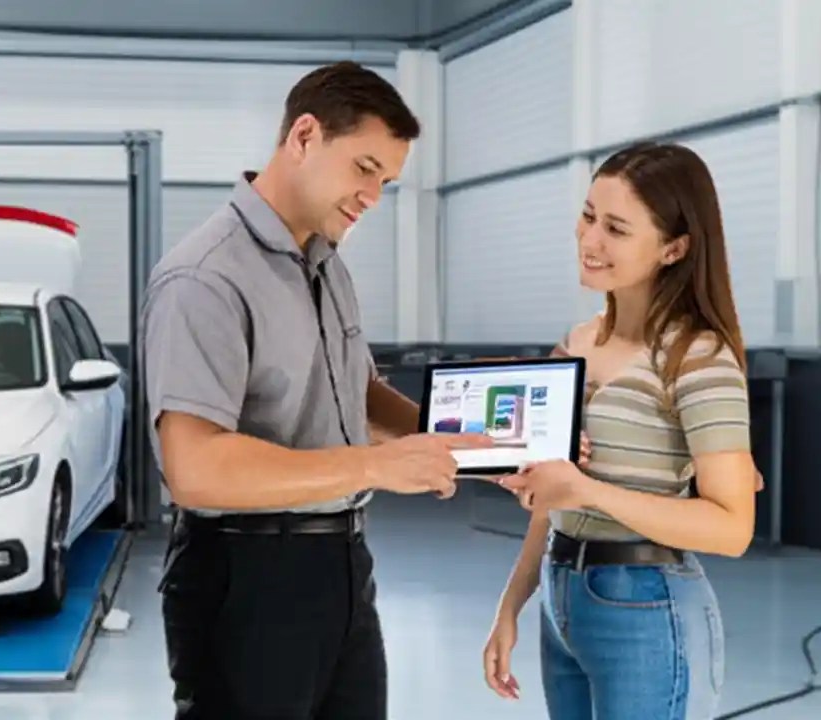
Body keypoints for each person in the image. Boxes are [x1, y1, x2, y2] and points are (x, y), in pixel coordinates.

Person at [140, 61, 494, 720]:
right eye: (364, 168)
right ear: (304, 136)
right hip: (243, 576)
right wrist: (377, 466)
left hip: (341, 565)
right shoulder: (204, 278)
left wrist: (470, 450)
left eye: (387, 181)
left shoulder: (326, 263)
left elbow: (354, 391)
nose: (373, 196)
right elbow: (193, 467)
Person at [483, 142, 760, 719]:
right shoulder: (577, 344)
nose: (590, 241)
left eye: (616, 228)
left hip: (645, 604)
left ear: (674, 248)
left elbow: (733, 527)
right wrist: (512, 605)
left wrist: (586, 491)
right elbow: (553, 495)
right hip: (562, 600)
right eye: (587, 216)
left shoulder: (698, 357)